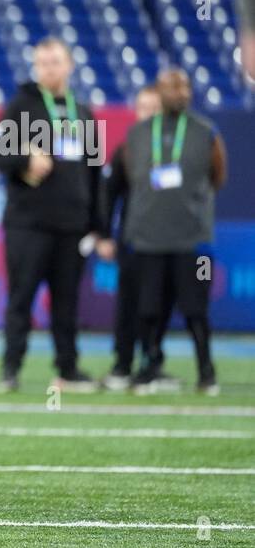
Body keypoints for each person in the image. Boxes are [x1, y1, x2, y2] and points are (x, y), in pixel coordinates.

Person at [0, 37, 105, 393]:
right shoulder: (21, 106)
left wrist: (97, 224)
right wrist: (26, 159)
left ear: (69, 65)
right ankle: (11, 369)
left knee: (67, 303)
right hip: (29, 223)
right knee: (21, 298)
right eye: (42, 63)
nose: (49, 69)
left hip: (72, 225)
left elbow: (96, 173)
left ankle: (67, 368)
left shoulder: (83, 111)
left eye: (55, 62)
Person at [115, 70, 227, 395]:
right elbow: (130, 177)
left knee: (196, 309)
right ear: (159, 92)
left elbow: (217, 177)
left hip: (194, 241)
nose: (177, 93)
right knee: (149, 308)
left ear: (191, 92)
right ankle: (149, 367)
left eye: (183, 86)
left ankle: (207, 373)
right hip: (148, 240)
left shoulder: (206, 132)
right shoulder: (137, 134)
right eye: (170, 87)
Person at [95, 85, 168, 392]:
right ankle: (122, 364)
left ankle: (152, 364)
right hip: (133, 241)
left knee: (160, 305)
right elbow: (108, 197)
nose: (148, 113)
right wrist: (104, 236)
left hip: (168, 243)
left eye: (154, 107)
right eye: (143, 107)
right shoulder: (125, 150)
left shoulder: (173, 150)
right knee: (128, 305)